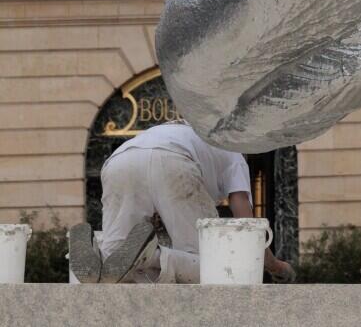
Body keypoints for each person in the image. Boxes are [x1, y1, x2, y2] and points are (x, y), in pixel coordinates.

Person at [67, 120, 292, 284]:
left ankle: (97, 255)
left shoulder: (173, 130)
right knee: (207, 262)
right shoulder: (233, 153)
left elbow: (150, 175)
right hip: (174, 161)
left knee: (115, 266)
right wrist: (274, 265)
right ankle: (150, 255)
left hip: (121, 159)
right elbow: (247, 226)